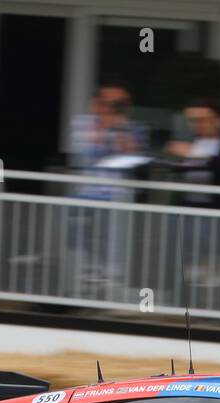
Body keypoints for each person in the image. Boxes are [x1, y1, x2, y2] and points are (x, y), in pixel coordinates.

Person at [68, 83, 149, 287]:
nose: (115, 108)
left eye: (121, 104)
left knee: (113, 236)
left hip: (118, 193)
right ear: (97, 103)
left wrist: (119, 127)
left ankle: (112, 277)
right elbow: (86, 153)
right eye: (111, 103)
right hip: (88, 191)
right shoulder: (83, 123)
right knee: (82, 234)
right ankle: (88, 272)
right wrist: (104, 126)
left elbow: (135, 156)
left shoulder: (135, 127)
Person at [166, 100, 220, 288]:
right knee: (189, 255)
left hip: (218, 208)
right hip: (191, 205)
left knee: (216, 254)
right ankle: (191, 294)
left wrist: (193, 154)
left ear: (219, 120)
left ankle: (217, 296)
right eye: (195, 120)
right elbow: (178, 168)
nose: (199, 124)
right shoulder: (194, 140)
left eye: (204, 119)